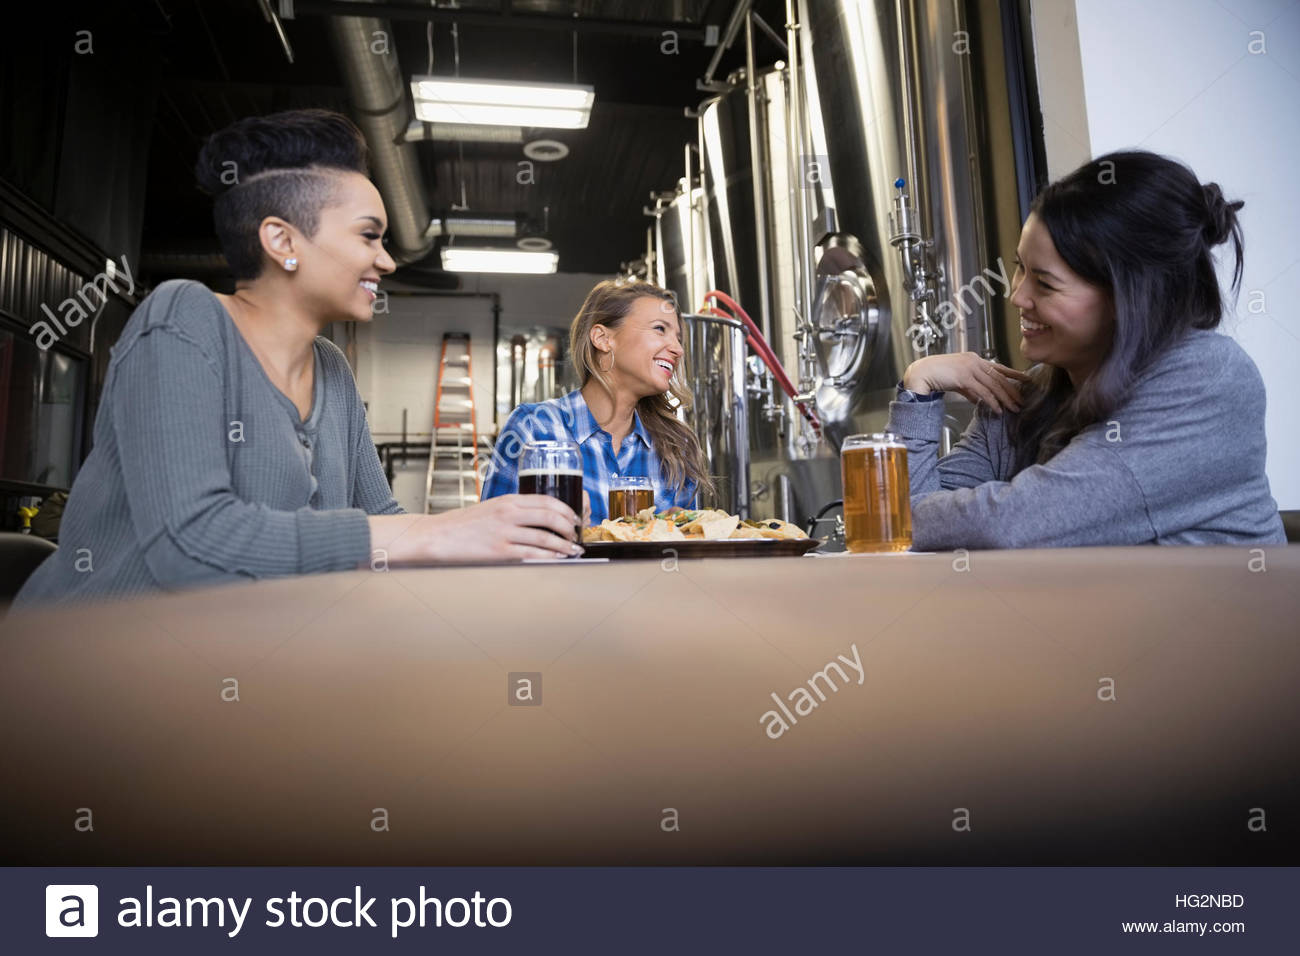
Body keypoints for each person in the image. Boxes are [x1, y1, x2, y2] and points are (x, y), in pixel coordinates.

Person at [14, 109, 580, 608]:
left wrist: (486, 540)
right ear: (282, 242)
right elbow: (190, 544)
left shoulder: (331, 369)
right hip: (92, 671)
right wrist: (438, 535)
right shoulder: (181, 320)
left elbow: (382, 522)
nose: (386, 261)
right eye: (369, 236)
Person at [888, 150, 1285, 549]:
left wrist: (904, 522)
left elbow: (1007, 524)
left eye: (1044, 282)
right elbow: (892, 526)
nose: (1016, 295)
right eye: (1019, 267)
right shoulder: (1027, 397)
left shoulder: (1208, 378)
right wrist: (918, 391)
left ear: (1126, 296)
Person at [482, 279, 711, 524]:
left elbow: (690, 553)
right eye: (659, 329)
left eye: (678, 338)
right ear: (602, 339)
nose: (678, 349)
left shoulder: (676, 447)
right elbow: (489, 537)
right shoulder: (534, 428)